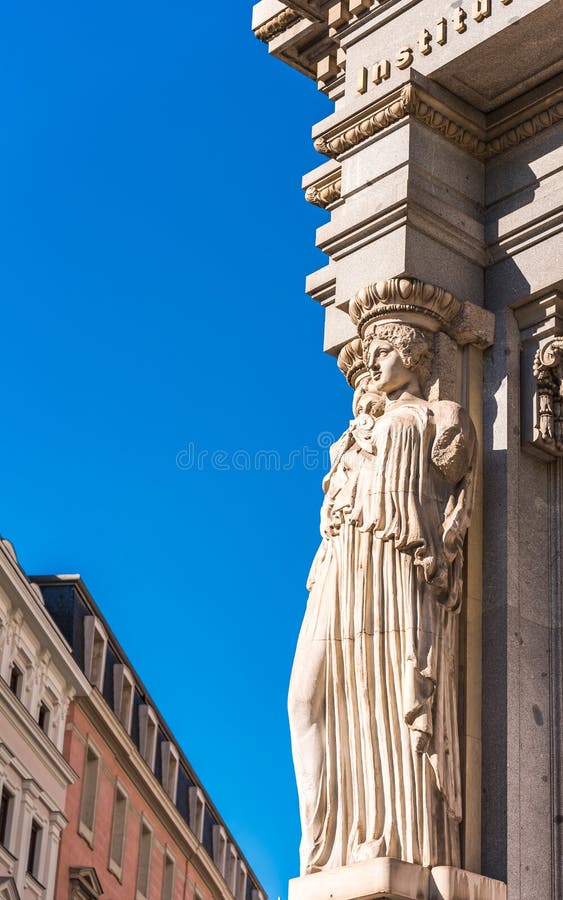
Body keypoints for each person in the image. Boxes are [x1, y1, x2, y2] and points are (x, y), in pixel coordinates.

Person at [288, 321, 476, 875]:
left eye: (384, 350)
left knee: (384, 694)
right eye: (366, 352)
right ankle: (323, 844)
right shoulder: (355, 432)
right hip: (339, 567)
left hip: (395, 569)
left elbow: (454, 476)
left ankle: (390, 834)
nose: (372, 361)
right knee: (305, 699)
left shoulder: (438, 416)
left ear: (418, 357)